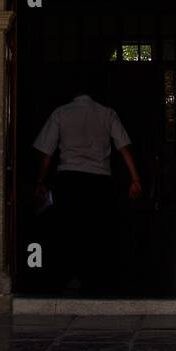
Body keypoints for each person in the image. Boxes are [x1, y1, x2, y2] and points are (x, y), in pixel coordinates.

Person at [32, 77, 141, 294]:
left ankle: (70, 277)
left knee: (69, 229)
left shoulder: (61, 113)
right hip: (99, 180)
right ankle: (97, 277)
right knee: (97, 230)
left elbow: (46, 154)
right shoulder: (107, 113)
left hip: (69, 179)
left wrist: (40, 181)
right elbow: (124, 148)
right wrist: (135, 178)